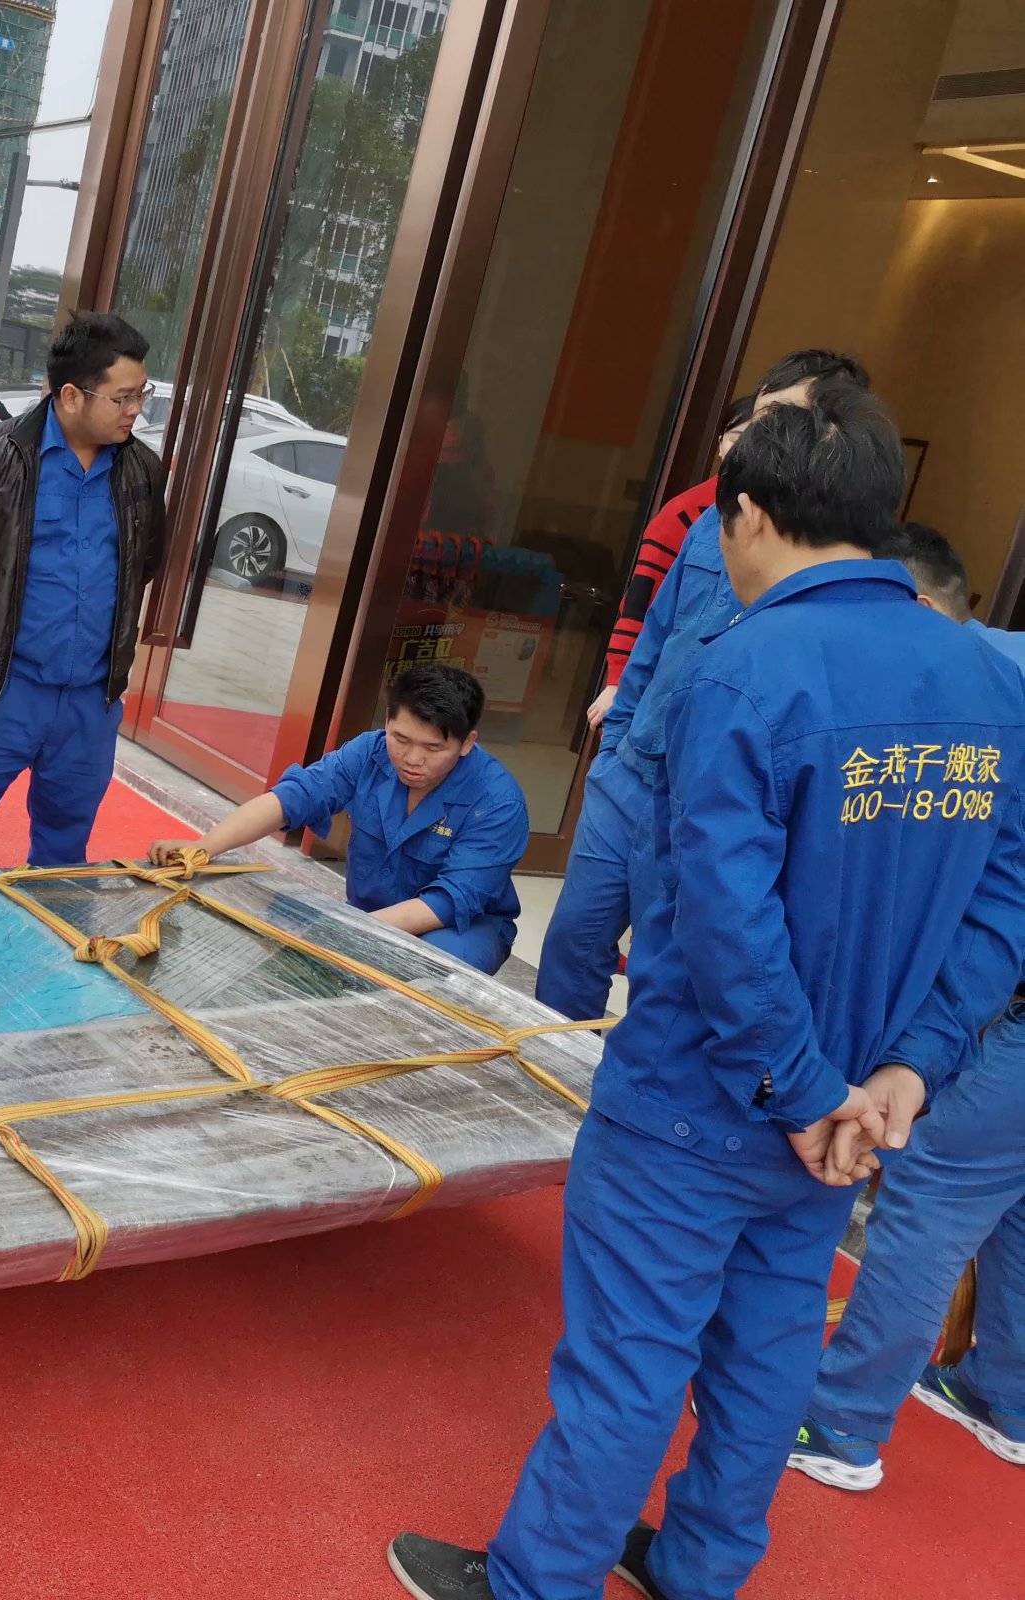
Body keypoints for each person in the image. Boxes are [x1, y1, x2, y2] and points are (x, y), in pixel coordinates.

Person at [386, 381, 1025, 1600]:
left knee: (630, 1357)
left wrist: (802, 1085)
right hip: (844, 1115)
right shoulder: (986, 683)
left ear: (748, 517)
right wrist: (902, 1071)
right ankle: (696, 1570)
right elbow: (1003, 903)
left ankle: (538, 1581)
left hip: (704, 1097)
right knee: (764, 1355)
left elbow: (716, 919)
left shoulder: (744, 670)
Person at [784, 522, 1025, 1492]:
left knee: (934, 1187)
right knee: (1012, 1195)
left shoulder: (982, 683)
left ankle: (840, 1422)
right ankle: (1003, 1392)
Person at [534, 350, 868, 1022]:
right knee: (573, 943)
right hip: (631, 773)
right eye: (764, 416)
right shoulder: (708, 527)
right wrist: (619, 741)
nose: (763, 437)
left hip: (707, 799)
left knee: (667, 969)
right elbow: (654, 638)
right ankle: (548, 1063)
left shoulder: (830, 564)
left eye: (789, 421)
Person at [0, 313, 166, 870]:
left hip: (90, 703)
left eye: (140, 394)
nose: (135, 410)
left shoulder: (143, 471)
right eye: (123, 397)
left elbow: (143, 565)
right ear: (71, 395)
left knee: (63, 860)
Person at [147, 664, 527, 975]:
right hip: (367, 912)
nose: (412, 759)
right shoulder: (369, 752)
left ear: (467, 743)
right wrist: (203, 847)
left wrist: (346, 934)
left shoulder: (497, 801)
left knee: (426, 970)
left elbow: (449, 901)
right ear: (388, 722)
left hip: (460, 929)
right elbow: (294, 797)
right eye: (401, 739)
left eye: (433, 748)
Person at [586, 394, 755, 727]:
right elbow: (639, 601)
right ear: (720, 444)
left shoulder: (783, 516)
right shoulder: (683, 514)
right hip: (667, 687)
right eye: (736, 437)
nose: (744, 449)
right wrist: (617, 681)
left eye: (756, 438)